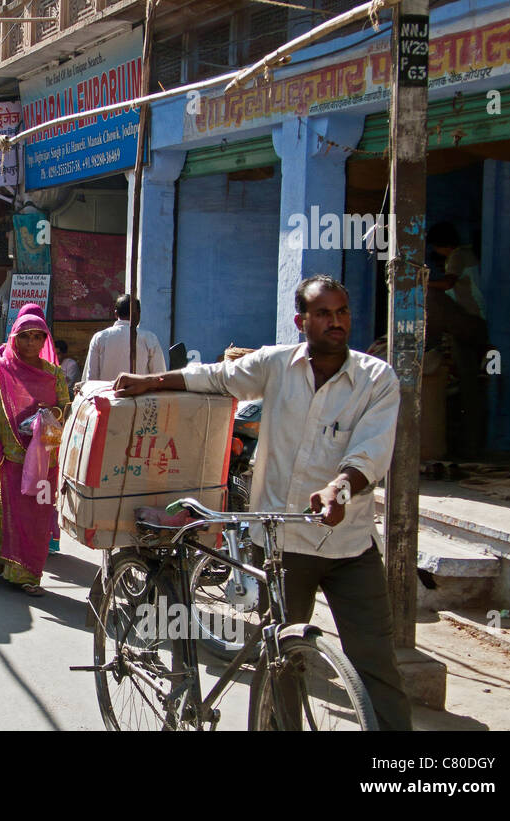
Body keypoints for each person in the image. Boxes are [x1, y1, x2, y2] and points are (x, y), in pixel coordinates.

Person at [112, 274, 412, 731]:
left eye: (342, 312)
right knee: (279, 659)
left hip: (348, 546)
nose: (336, 322)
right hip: (281, 543)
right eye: (324, 313)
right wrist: (150, 381)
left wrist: (340, 489)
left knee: (374, 662)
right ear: (301, 320)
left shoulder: (376, 379)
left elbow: (370, 453)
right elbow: (215, 377)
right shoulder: (276, 365)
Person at [0, 306, 70, 596]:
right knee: (4, 514)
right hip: (8, 457)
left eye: (37, 337)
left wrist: (50, 412)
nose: (31, 343)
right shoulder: (0, 368)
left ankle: (30, 575)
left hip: (43, 460)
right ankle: (4, 566)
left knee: (37, 518)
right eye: (25, 336)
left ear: (45, 341)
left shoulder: (53, 373)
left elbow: (66, 406)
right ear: (15, 336)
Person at [426, 222, 489, 457]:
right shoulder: (466, 255)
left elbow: (447, 283)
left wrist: (419, 283)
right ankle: (470, 447)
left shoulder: (459, 255)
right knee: (469, 385)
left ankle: (425, 347)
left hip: (473, 323)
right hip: (470, 328)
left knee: (431, 296)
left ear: (442, 246)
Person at [82, 294, 165, 382]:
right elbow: (159, 376)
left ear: (116, 313)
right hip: (140, 394)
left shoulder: (99, 338)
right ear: (138, 314)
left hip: (106, 394)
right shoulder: (149, 338)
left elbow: (91, 378)